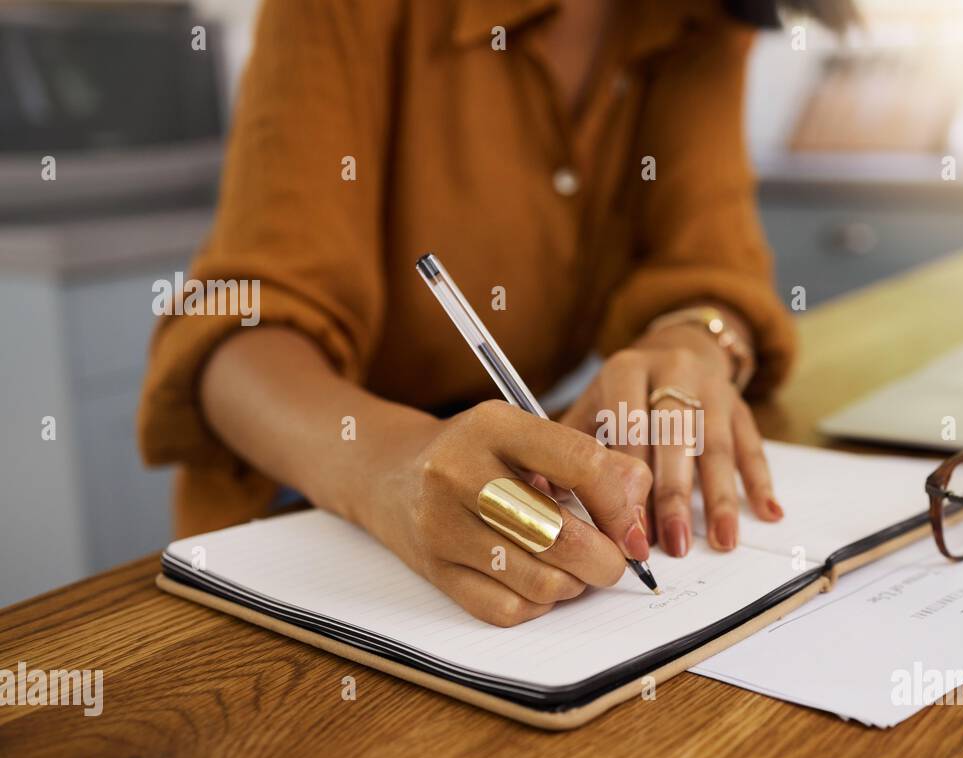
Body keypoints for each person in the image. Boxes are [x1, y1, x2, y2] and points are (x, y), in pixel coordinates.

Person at [138, 0, 857, 625]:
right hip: (302, 526)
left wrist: (696, 342)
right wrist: (394, 466)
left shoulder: (701, 15)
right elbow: (236, 345)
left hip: (507, 500)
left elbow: (710, 261)